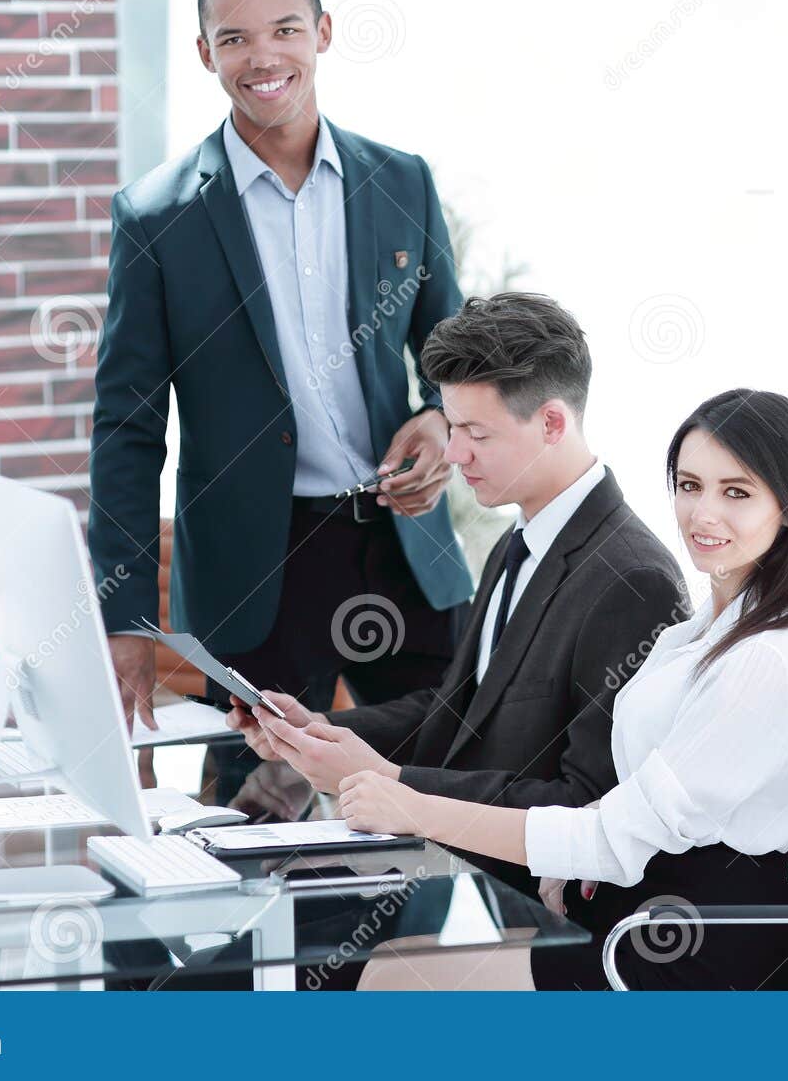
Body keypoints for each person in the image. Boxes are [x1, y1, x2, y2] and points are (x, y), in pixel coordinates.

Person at [87, 0, 475, 802]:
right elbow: (127, 429)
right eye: (235, 38)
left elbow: (455, 354)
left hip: (403, 548)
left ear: (323, 33)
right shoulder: (157, 219)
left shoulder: (402, 182)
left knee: (461, 783)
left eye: (285, 30)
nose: (263, 57)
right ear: (205, 53)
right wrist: (124, 619)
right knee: (250, 820)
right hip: (257, 572)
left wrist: (441, 416)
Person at [328, 389, 788, 990]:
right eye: (689, 485)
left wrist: (416, 809)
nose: (703, 513)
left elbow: (616, 837)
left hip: (693, 956)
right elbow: (651, 798)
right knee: (393, 965)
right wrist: (575, 853)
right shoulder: (715, 626)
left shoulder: (765, 658)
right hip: (645, 916)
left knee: (397, 976)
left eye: (737, 492)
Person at [232, 293, 690, 899]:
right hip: (460, 877)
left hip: (531, 907)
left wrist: (392, 782)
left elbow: (586, 807)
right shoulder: (516, 543)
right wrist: (319, 732)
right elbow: (459, 709)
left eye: (476, 433)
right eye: (452, 427)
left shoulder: (634, 582)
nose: (453, 453)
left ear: (552, 424)